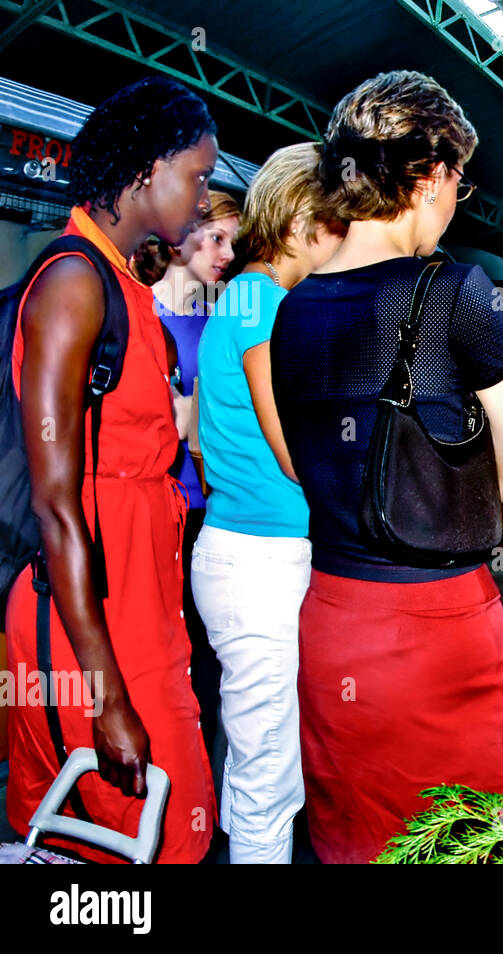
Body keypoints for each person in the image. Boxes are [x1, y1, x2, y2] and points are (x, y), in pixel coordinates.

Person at [270, 70, 503, 864]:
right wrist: (440, 480)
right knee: (465, 841)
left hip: (331, 622)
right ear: (428, 177)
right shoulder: (456, 292)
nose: (457, 197)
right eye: (458, 179)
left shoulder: (290, 311)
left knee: (354, 835)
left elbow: (312, 465)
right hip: (437, 630)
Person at [5, 76, 219, 863]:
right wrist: (107, 698)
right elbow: (58, 505)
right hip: (92, 625)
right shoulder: (72, 285)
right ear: (144, 171)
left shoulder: (121, 284)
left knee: (122, 841)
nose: (204, 197)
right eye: (196, 176)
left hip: (135, 605)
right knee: (155, 827)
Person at [191, 143, 345, 864]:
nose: (347, 238)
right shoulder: (267, 305)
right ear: (299, 222)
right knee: (268, 771)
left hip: (246, 552)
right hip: (259, 563)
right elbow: (295, 450)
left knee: (260, 756)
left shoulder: (244, 299)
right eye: (338, 222)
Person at [143, 189, 241, 760]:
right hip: (164, 514)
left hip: (215, 513)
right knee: (165, 658)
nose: (226, 252)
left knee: (209, 662)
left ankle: (194, 800)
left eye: (233, 240)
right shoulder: (142, 311)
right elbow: (168, 426)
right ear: (179, 234)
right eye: (215, 236)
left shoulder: (220, 317)